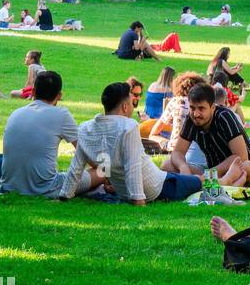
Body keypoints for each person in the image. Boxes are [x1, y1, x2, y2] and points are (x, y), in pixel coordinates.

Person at [61, 81, 201, 204]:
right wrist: (138, 200)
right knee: (200, 181)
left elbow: (76, 167)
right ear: (125, 107)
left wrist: (64, 195)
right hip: (157, 188)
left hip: (129, 190)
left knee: (177, 174)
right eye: (132, 102)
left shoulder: (86, 128)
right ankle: (220, 180)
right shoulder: (128, 126)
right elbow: (132, 166)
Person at [0, 70, 104, 199]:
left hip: (10, 186)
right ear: (59, 95)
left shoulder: (16, 113)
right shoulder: (61, 115)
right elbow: (86, 152)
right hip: (46, 188)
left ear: (33, 91)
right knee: (103, 170)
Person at [164, 82, 250, 190]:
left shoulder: (224, 116)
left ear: (213, 107)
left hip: (240, 170)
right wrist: (183, 167)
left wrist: (209, 174)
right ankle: (221, 185)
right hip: (213, 172)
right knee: (167, 165)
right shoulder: (191, 119)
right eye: (192, 108)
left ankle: (212, 184)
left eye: (201, 108)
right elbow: (177, 152)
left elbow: (241, 157)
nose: (196, 114)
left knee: (248, 166)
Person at [142, 70, 205, 151]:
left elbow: (155, 130)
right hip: (198, 147)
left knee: (153, 136)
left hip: (176, 146)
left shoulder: (175, 101)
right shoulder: (205, 105)